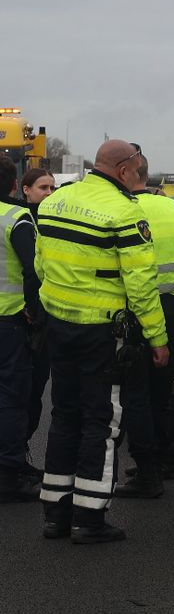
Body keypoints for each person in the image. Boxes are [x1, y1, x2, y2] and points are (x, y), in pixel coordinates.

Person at [35, 141, 168, 543]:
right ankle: (88, 518)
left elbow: (42, 264)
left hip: (59, 323)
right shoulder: (125, 212)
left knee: (63, 415)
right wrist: (157, 337)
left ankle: (56, 514)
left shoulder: (54, 202)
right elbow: (141, 285)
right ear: (124, 170)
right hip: (102, 333)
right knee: (101, 421)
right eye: (138, 168)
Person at [117, 158, 174, 497]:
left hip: (137, 308)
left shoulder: (122, 209)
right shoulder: (173, 209)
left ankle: (147, 473)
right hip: (172, 308)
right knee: (163, 392)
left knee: (136, 394)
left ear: (125, 175)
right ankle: (168, 461)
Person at [0, 157, 43, 503]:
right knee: (12, 400)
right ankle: (9, 474)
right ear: (16, 185)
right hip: (10, 323)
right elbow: (34, 270)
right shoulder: (17, 218)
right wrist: (34, 311)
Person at [20, 168, 56, 478]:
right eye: (43, 187)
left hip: (44, 320)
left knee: (35, 392)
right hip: (22, 317)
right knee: (21, 392)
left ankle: (19, 451)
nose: (49, 193)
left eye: (52, 188)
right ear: (26, 189)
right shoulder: (21, 220)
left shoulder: (54, 221)